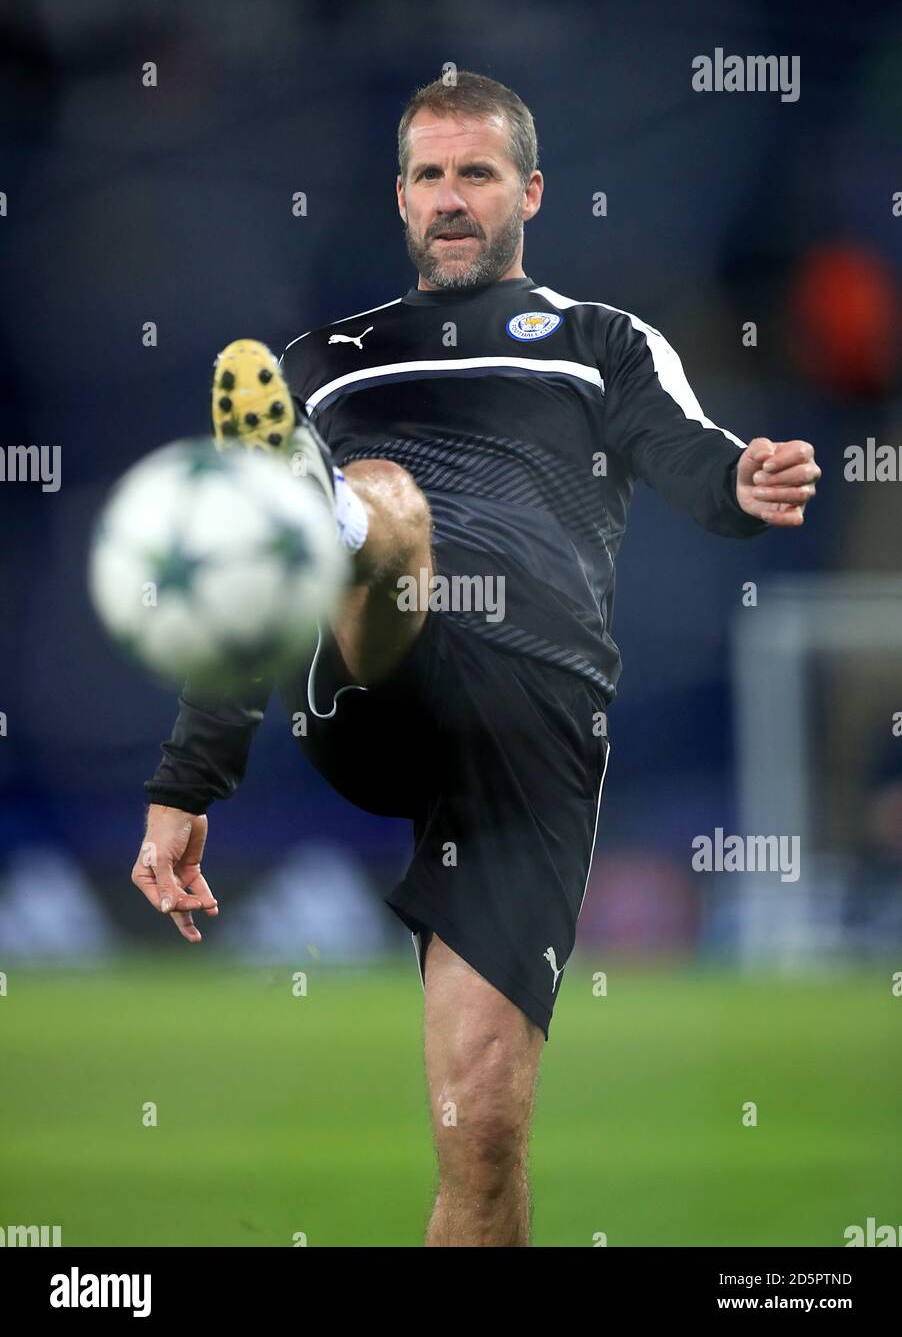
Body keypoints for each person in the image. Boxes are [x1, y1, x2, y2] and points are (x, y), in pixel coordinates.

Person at [132, 72, 821, 1246]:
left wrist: (745, 486)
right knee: (389, 504)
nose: (451, 198)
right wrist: (189, 777)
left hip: (535, 726)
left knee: (485, 1127)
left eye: (476, 173)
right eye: (429, 176)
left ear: (530, 191)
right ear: (399, 198)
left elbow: (694, 462)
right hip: (374, 671)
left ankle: (329, 511)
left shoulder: (597, 343)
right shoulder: (326, 358)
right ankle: (333, 516)